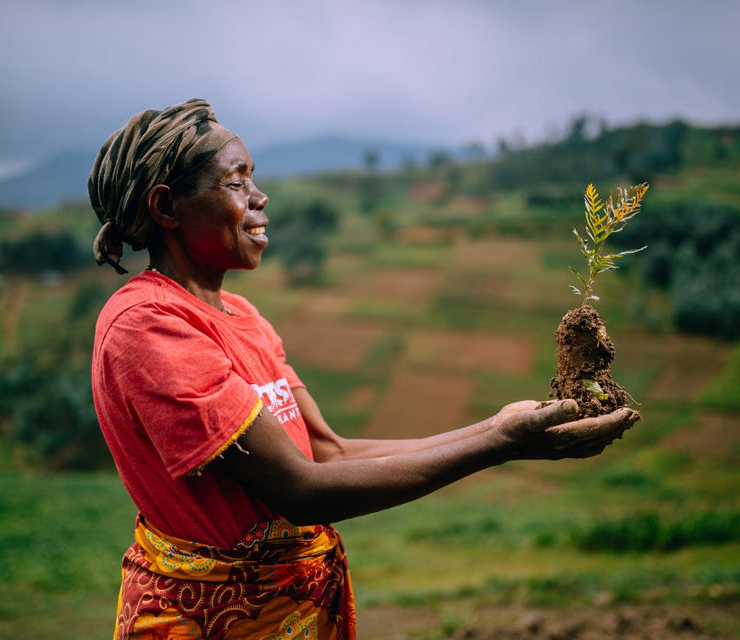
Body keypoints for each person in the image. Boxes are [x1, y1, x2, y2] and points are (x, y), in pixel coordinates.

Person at [88, 99, 639, 640]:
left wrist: (500, 426)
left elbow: (328, 451)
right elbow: (302, 490)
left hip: (291, 617)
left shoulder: (244, 317)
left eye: (253, 178)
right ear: (167, 209)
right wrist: (503, 443)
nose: (260, 197)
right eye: (236, 183)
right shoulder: (148, 325)